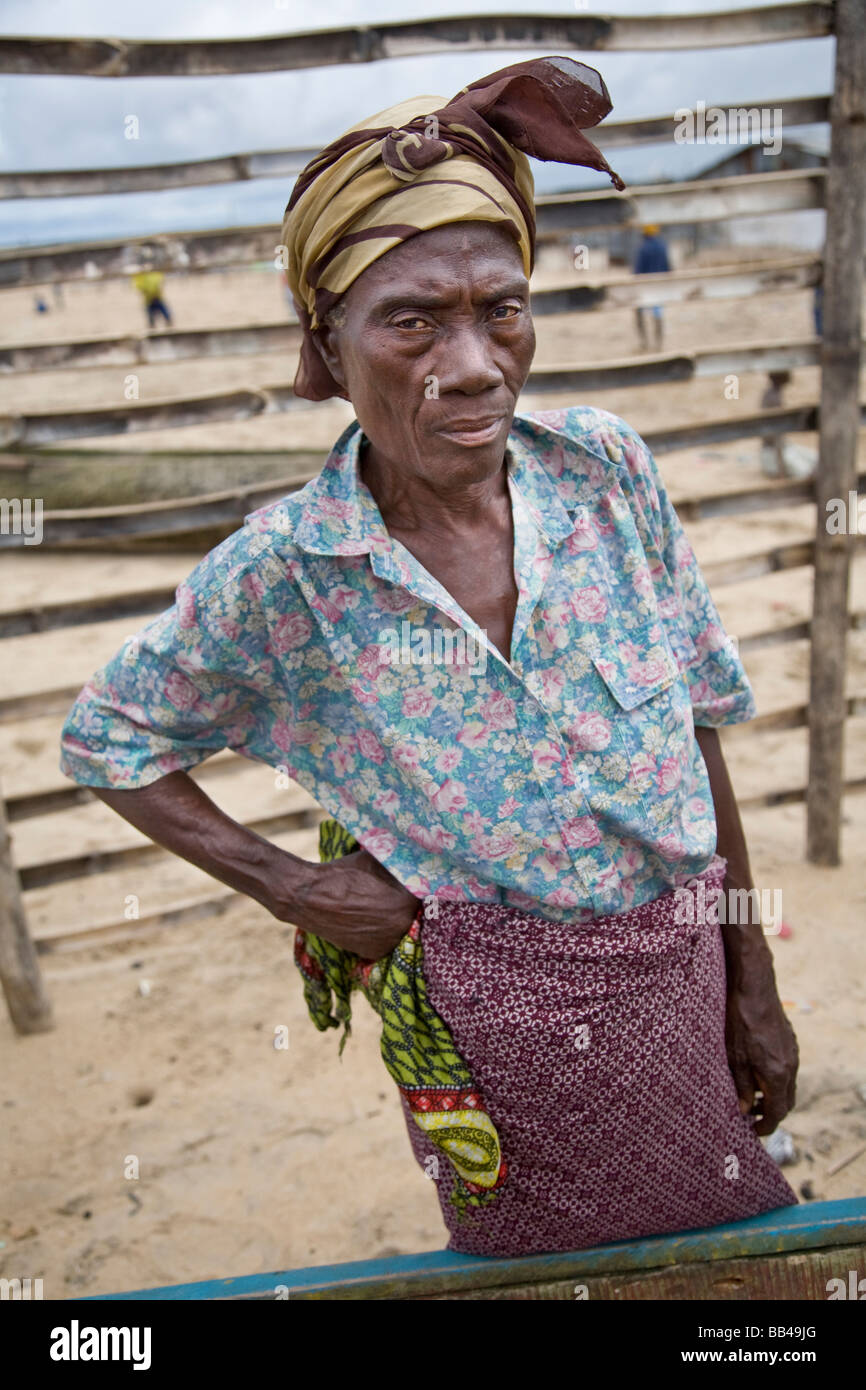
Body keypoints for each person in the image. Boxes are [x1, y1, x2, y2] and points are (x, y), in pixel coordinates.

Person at [59, 56, 797, 1259]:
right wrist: (292, 887)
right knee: (553, 1268)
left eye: (499, 308)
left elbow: (697, 723)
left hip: (684, 968)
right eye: (410, 321)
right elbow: (107, 738)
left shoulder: (604, 469)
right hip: (503, 1029)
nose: (472, 363)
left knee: (740, 1246)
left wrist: (748, 978)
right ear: (327, 340)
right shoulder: (290, 571)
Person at [634, 222, 670, 351]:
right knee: (658, 314)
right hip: (659, 286)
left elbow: (638, 271)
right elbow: (668, 267)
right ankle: (658, 344)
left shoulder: (643, 248)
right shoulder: (662, 246)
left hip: (645, 287)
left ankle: (644, 343)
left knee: (639, 313)